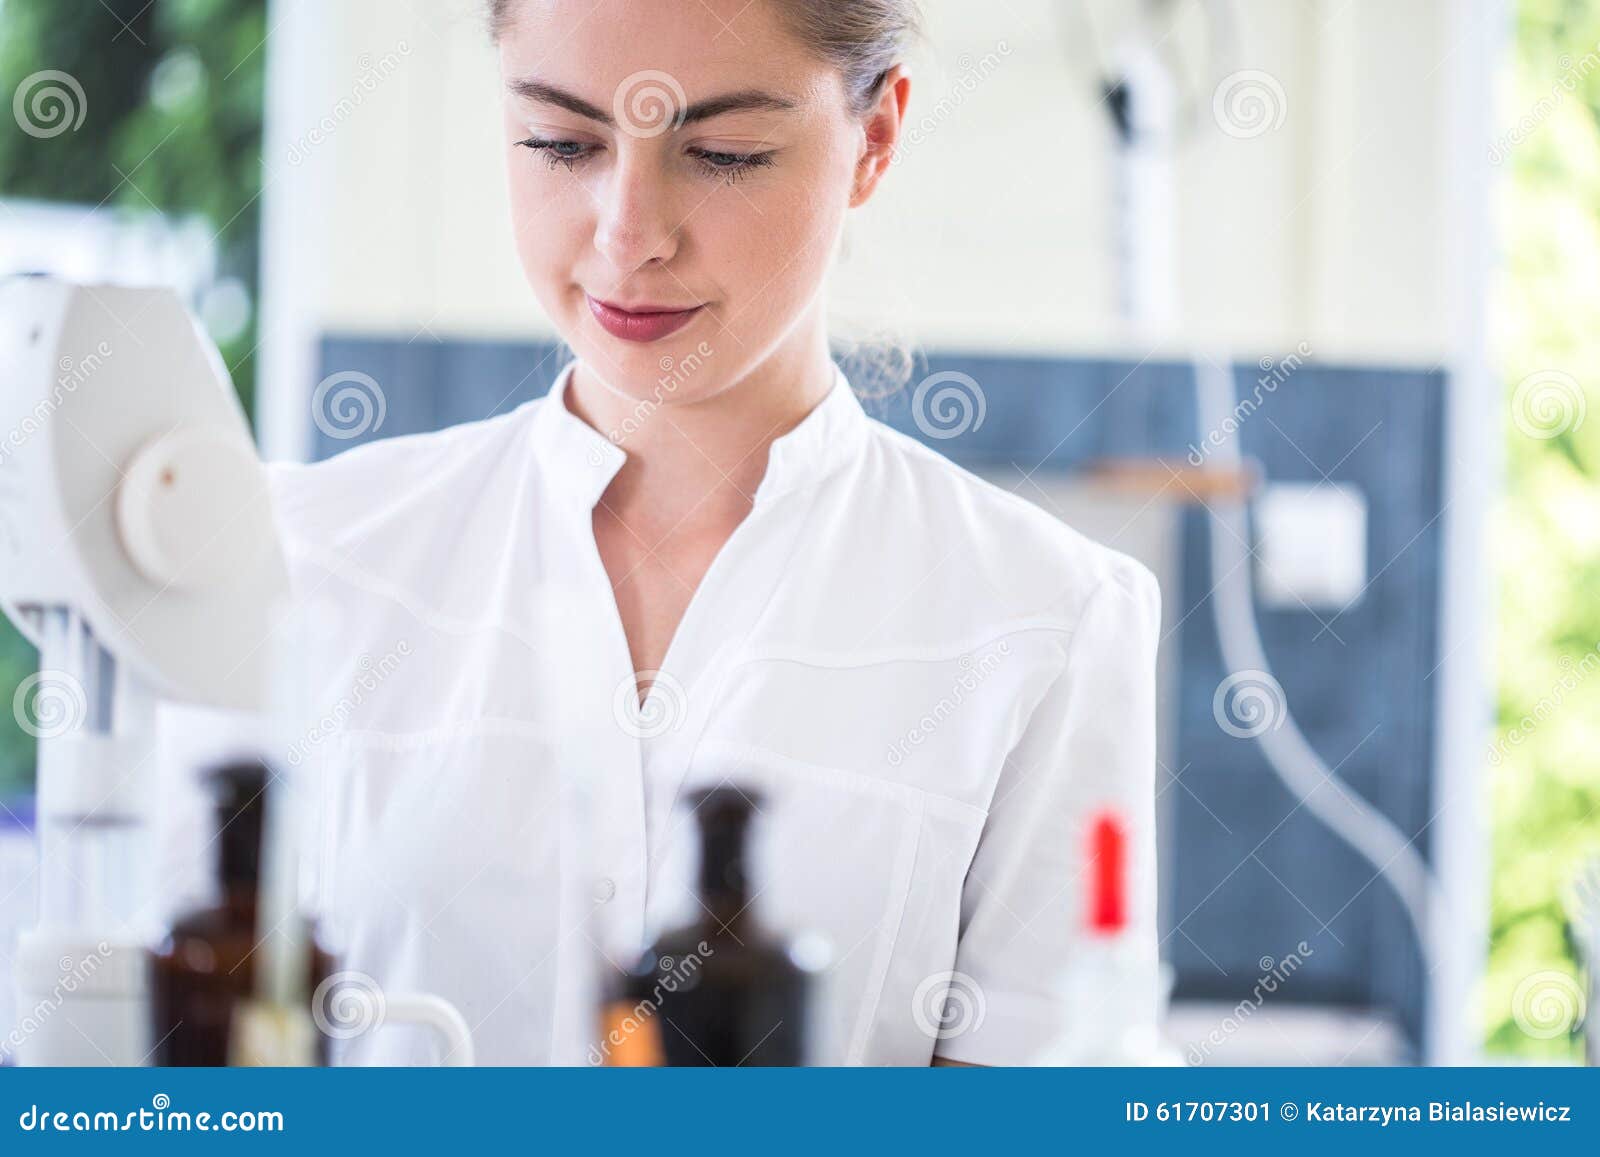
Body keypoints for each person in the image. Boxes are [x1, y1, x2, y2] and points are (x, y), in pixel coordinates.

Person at [268, 0, 1162, 1066]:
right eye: (562, 143)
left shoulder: (1044, 616)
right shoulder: (308, 555)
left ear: (873, 137)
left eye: (723, 153)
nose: (628, 232)